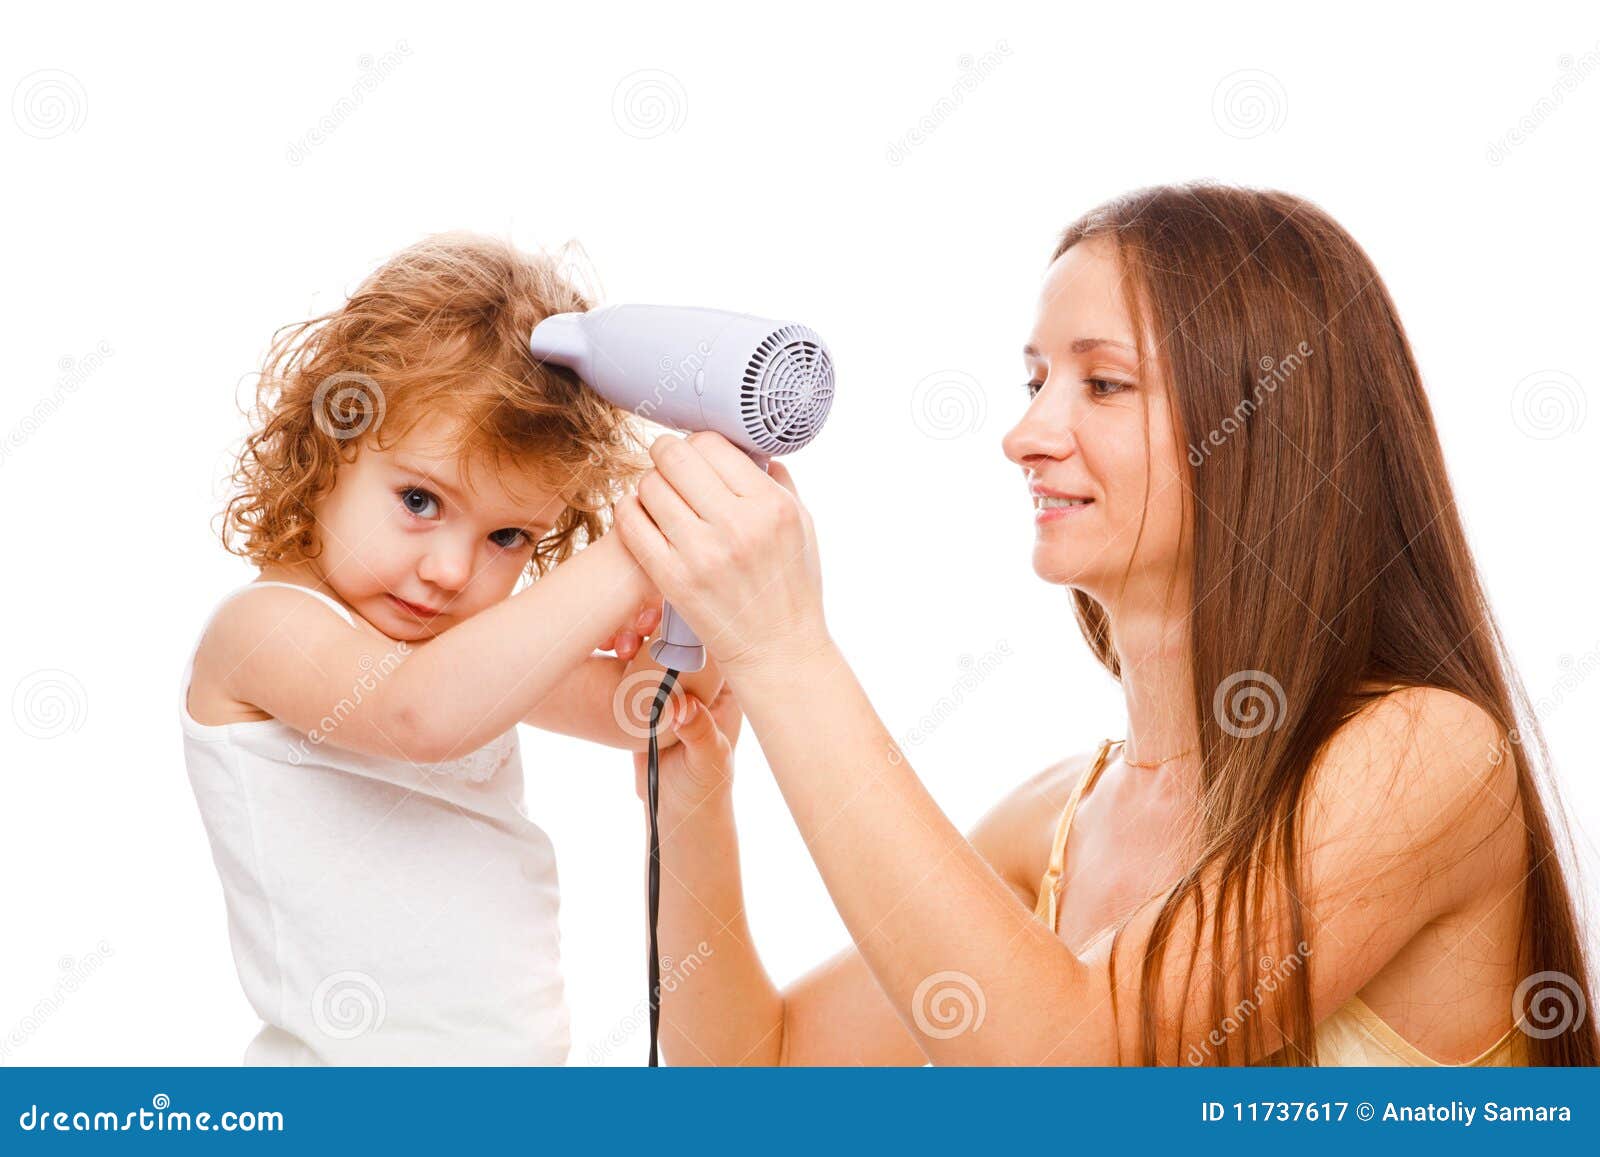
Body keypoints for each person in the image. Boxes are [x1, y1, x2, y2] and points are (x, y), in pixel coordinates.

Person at [620, 183, 1598, 1065]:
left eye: (1102, 382)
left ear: (1267, 425)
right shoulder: (1052, 819)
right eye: (1034, 379)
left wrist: (788, 652)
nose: (1025, 434)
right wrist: (688, 784)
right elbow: (758, 1070)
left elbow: (1078, 1067)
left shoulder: (1424, 753)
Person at [180, 232, 720, 1064]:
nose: (450, 570)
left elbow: (641, 712)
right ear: (328, 441)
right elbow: (416, 714)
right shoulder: (262, 630)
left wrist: (688, 608)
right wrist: (628, 560)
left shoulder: (461, 647)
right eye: (420, 500)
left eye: (508, 534)